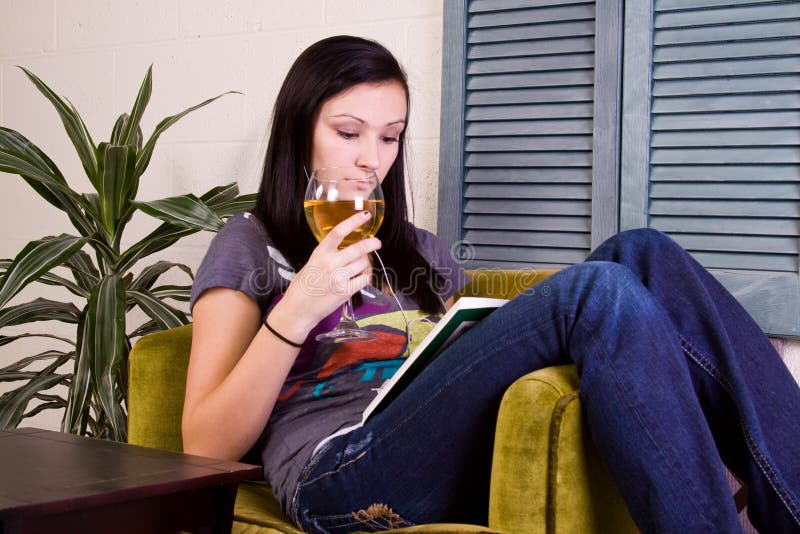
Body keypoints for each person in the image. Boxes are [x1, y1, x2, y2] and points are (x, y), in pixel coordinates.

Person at [182, 35, 800, 533]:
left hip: (446, 447)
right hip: (336, 472)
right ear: (299, 131)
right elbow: (203, 442)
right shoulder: (250, 242)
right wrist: (296, 310)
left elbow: (463, 369)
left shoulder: (420, 250)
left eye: (390, 136)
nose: (372, 158)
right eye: (349, 133)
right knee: (599, 291)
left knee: (644, 250)